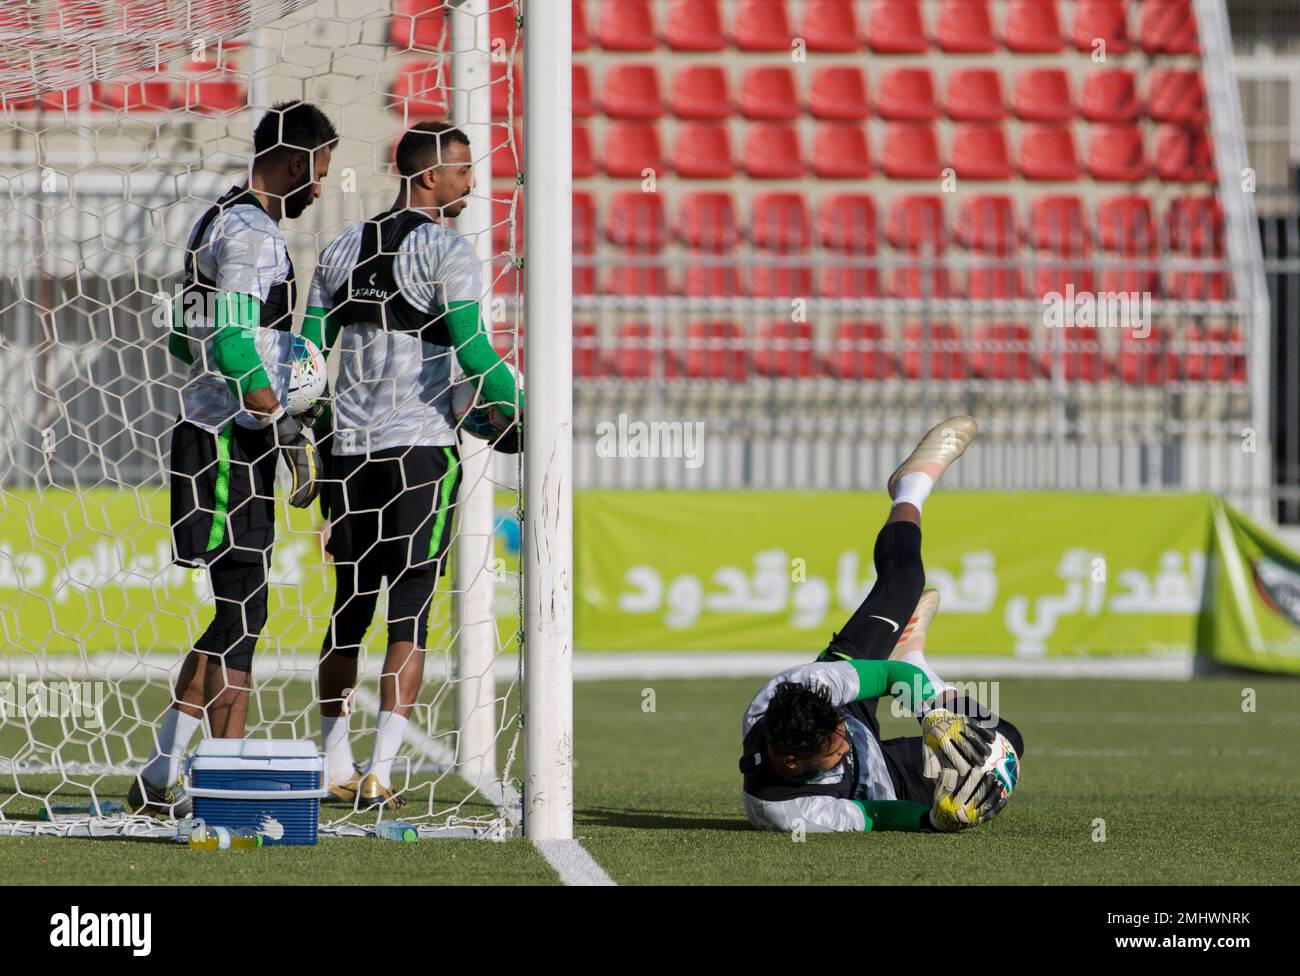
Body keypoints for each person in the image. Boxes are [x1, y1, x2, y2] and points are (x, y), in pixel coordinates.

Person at [303, 121, 523, 810]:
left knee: (348, 611)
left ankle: (332, 763)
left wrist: (314, 442)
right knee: (410, 616)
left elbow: (308, 363)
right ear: (430, 176)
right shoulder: (447, 251)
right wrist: (527, 410)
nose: (472, 183)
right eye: (463, 171)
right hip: (419, 453)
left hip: (347, 455)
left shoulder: (339, 248)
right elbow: (474, 354)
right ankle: (379, 772)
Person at [129, 101, 338, 817]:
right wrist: (285, 416)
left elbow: (181, 339)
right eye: (320, 170)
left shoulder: (214, 219)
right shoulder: (251, 232)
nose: (322, 186)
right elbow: (231, 343)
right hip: (227, 439)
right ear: (295, 160)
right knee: (245, 610)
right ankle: (217, 779)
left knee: (239, 608)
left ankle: (165, 773)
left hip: (217, 432)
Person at [740, 416, 1026, 833]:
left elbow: (890, 678)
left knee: (906, 580)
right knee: (1004, 744)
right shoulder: (786, 811)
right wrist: (932, 820)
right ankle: (915, 657)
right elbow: (875, 814)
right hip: (883, 780)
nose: (847, 744)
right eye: (837, 749)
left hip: (849, 694)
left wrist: (932, 713)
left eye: (840, 733)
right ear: (793, 762)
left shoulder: (801, 687)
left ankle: (911, 485)